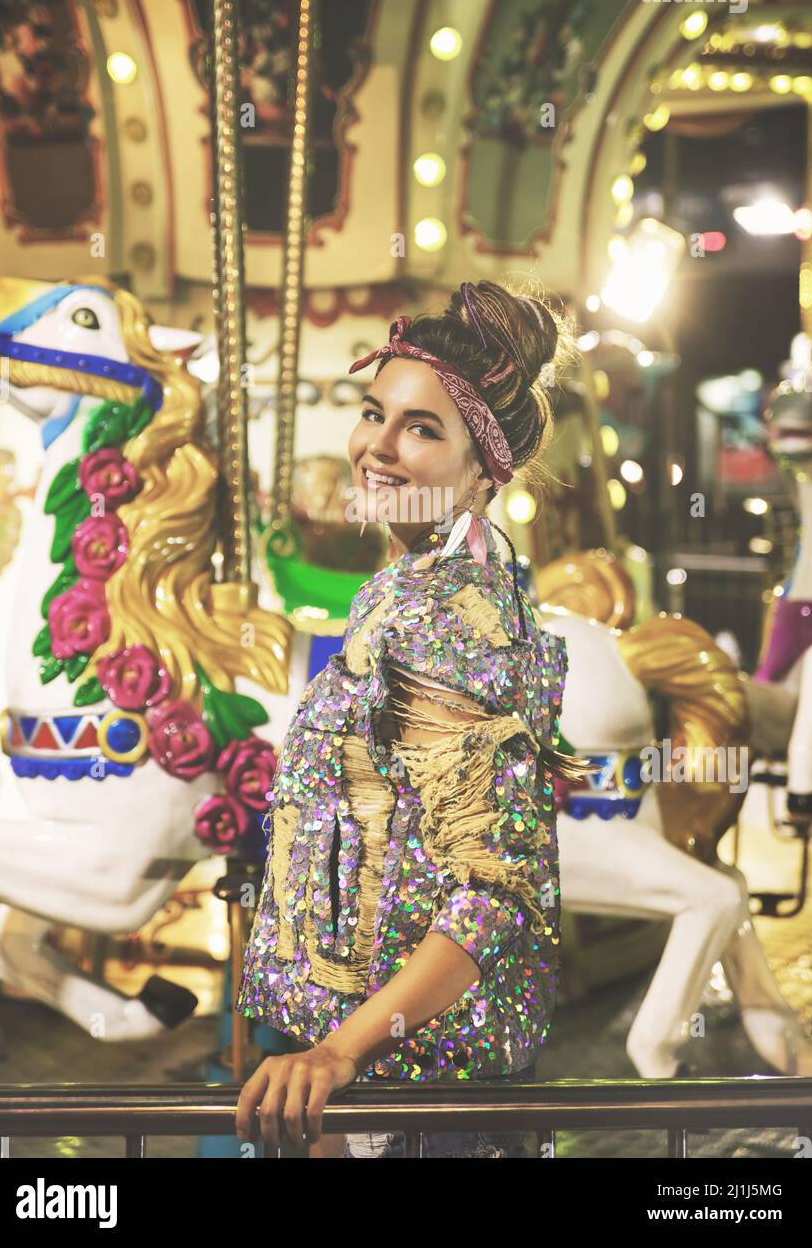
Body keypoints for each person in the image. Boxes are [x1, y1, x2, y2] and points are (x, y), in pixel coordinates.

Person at [234, 280, 580, 1158]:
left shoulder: (448, 614)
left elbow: (494, 892)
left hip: (417, 1091)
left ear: (482, 468)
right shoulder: (417, 582)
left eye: (422, 429)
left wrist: (339, 1054)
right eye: (372, 412)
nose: (377, 449)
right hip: (393, 1076)